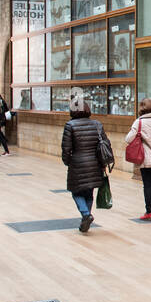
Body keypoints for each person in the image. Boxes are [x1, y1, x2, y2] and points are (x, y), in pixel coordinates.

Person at [61, 95, 106, 233]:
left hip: (77, 163)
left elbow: (66, 148)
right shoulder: (97, 124)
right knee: (89, 192)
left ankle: (86, 214)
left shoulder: (70, 126)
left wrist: (67, 161)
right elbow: (104, 143)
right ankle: (86, 217)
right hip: (95, 163)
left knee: (76, 191)